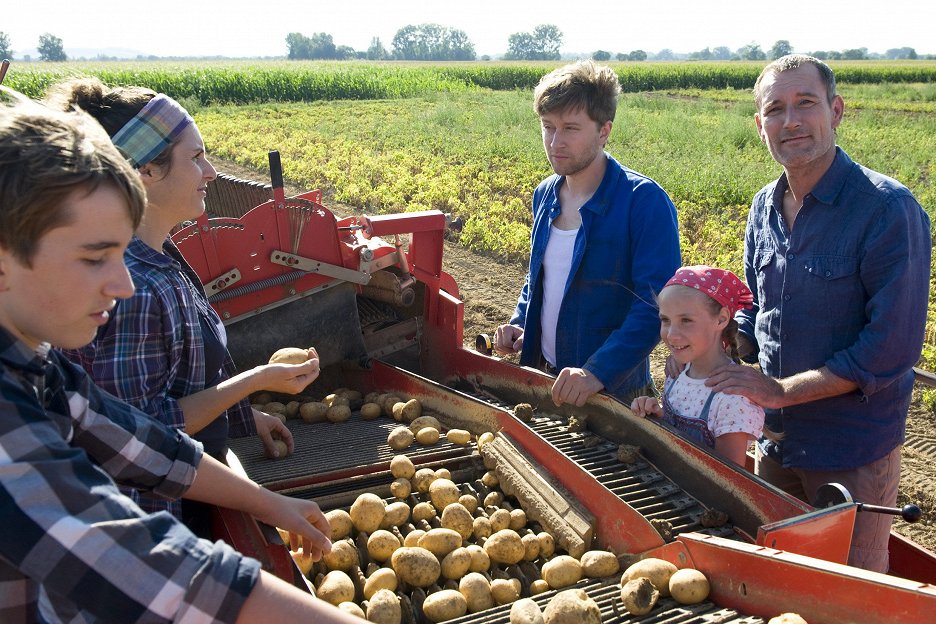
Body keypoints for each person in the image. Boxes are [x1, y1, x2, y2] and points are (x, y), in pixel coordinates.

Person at [0, 99, 360, 623]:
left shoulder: (40, 369)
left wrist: (268, 503)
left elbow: (146, 446)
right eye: (94, 257)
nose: (122, 283)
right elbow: (142, 568)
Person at [46, 78, 317, 530]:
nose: (210, 171)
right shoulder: (131, 288)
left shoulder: (157, 254)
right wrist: (254, 381)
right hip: (150, 525)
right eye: (195, 158)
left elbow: (159, 390)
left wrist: (242, 415)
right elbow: (139, 433)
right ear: (146, 171)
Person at [703, 55, 931, 572]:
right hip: (776, 439)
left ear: (836, 111)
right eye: (775, 109)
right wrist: (716, 346)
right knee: (782, 570)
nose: (792, 121)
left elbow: (890, 349)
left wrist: (780, 390)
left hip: (850, 446)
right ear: (760, 125)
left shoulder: (887, 210)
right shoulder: (763, 206)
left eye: (805, 104)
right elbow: (756, 311)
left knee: (850, 582)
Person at [494, 60, 681, 407]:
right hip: (547, 379)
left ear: (604, 130)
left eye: (570, 128)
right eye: (548, 127)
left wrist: (598, 372)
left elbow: (654, 306)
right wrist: (520, 323)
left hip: (615, 393)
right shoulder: (545, 194)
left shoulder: (643, 202)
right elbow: (540, 279)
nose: (555, 142)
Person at [630, 266, 765, 466]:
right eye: (665, 320)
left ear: (721, 319)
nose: (672, 334)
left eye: (686, 320)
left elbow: (728, 480)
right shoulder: (678, 372)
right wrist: (657, 415)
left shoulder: (731, 398)